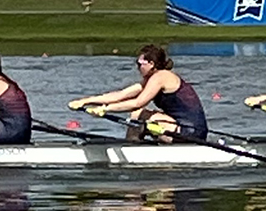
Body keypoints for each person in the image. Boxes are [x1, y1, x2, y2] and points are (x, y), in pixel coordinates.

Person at [69, 45, 207, 142]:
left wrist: (106, 109)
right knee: (139, 115)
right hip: (179, 127)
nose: (137, 67)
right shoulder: (150, 80)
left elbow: (138, 103)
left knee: (138, 114)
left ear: (151, 64)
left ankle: (132, 147)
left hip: (190, 131)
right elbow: (120, 95)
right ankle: (134, 144)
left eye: (139, 63)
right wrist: (85, 101)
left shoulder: (162, 77)